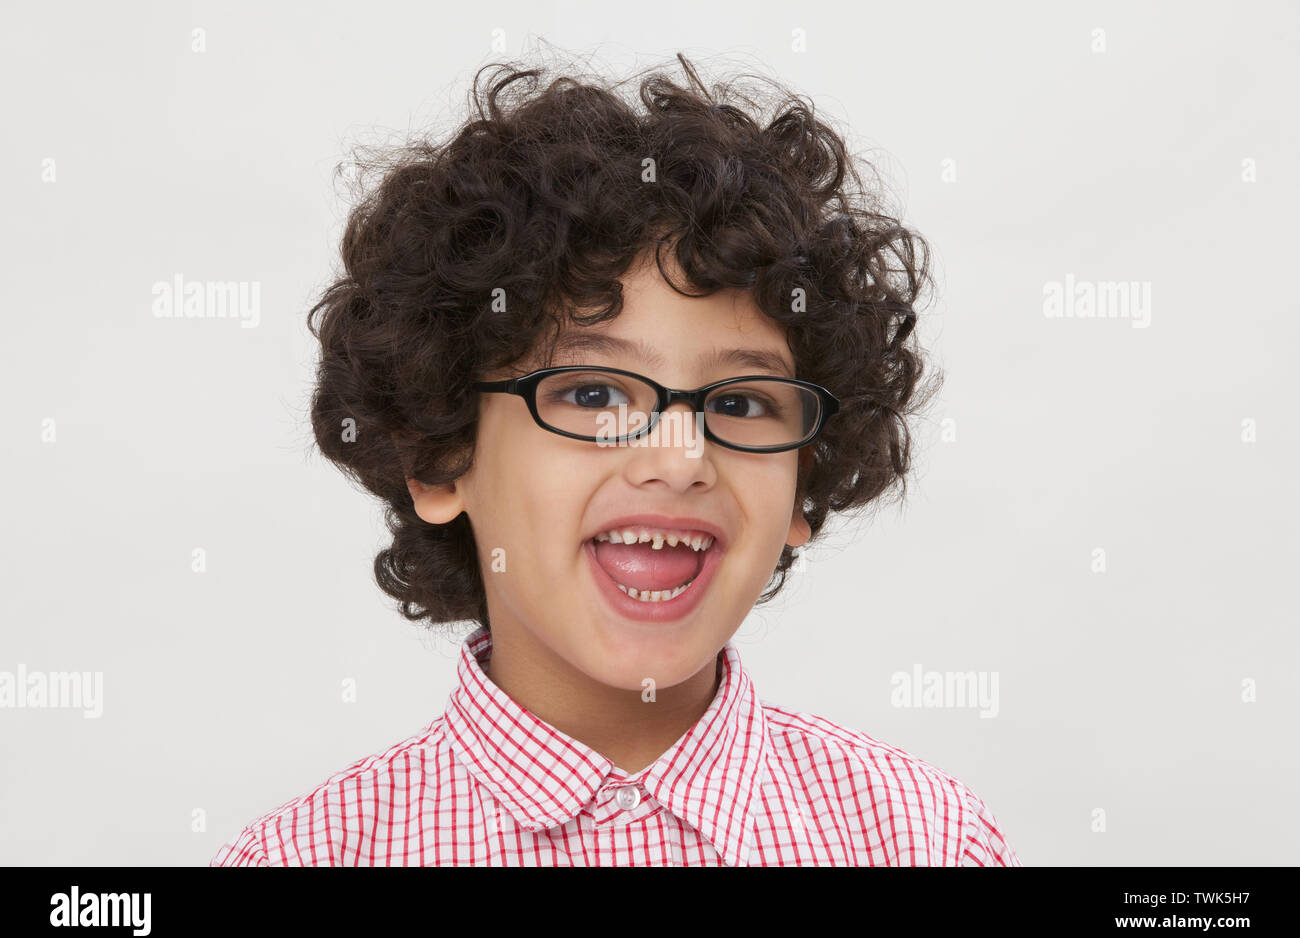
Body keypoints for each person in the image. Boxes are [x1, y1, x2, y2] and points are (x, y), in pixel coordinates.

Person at [212, 53, 1020, 866]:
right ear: (441, 454)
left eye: (738, 404)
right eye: (594, 396)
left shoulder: (926, 839)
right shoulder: (309, 855)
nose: (677, 461)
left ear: (803, 489)